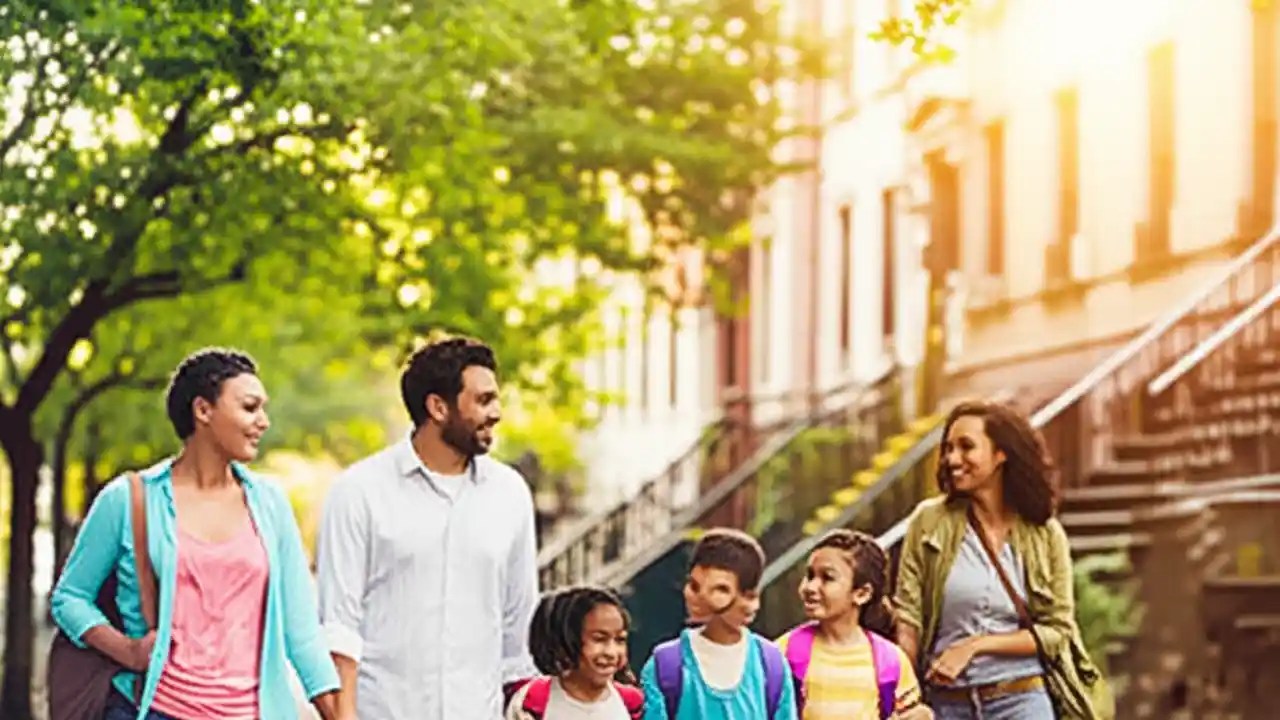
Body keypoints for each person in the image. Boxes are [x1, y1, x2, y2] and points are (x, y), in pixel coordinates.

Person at [50, 348, 341, 720]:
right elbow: (70, 597)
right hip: (154, 710)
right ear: (203, 410)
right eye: (250, 408)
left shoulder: (270, 504)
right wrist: (128, 650)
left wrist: (338, 715)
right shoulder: (129, 500)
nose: (264, 421)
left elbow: (302, 632)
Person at [316, 337, 539, 720]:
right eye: (483, 400)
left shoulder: (510, 493)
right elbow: (338, 626)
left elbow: (519, 628)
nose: (497, 412)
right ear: (438, 407)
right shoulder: (360, 492)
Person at [894, 400, 1108, 719]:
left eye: (966, 447)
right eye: (948, 448)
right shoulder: (929, 523)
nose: (952, 458)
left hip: (1021, 701)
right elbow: (909, 618)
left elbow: (1057, 630)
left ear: (1000, 454)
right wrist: (905, 695)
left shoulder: (1044, 533)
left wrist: (975, 646)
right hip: (947, 705)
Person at [639, 528, 799, 720]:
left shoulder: (771, 665)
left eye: (721, 589)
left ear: (747, 597)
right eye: (694, 586)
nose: (700, 598)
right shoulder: (665, 666)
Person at [776, 529, 930, 720]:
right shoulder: (783, 652)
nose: (810, 587)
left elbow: (913, 714)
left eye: (827, 577)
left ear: (862, 594)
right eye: (809, 575)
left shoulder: (891, 662)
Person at [505, 586, 645, 720]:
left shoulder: (632, 704)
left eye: (620, 640)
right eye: (599, 639)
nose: (611, 652)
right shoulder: (531, 703)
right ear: (563, 643)